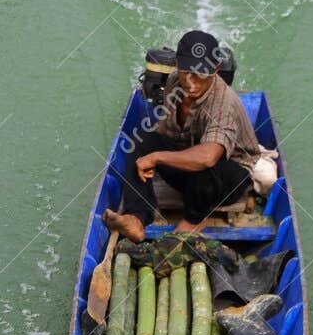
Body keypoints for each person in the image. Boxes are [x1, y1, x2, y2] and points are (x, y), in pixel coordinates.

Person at [106, 30, 260, 242]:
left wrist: (157, 158)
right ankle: (137, 217)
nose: (192, 82)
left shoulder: (223, 103)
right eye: (187, 72)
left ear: (215, 70)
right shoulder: (173, 82)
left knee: (204, 170)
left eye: (201, 75)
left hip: (226, 177)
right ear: (177, 64)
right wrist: (150, 154)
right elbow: (165, 131)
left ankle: (193, 220)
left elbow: (208, 157)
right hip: (188, 160)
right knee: (139, 141)